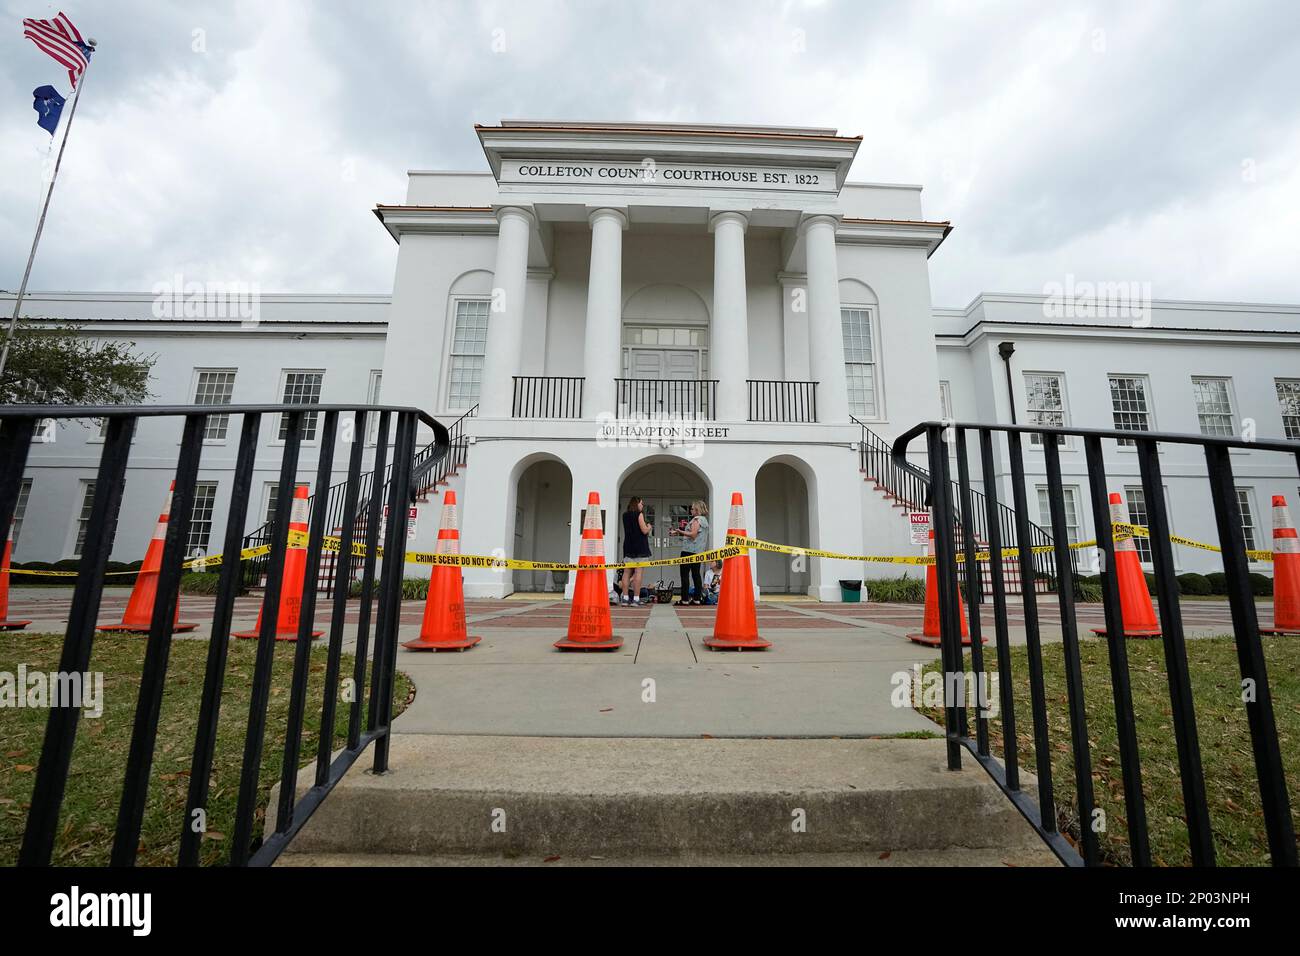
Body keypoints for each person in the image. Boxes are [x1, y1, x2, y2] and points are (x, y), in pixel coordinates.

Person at [671, 499, 709, 606]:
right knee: (696, 575)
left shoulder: (696, 520)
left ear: (697, 509)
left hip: (688, 551)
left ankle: (684, 599)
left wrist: (679, 531)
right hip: (698, 552)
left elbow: (693, 535)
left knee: (685, 576)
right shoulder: (704, 521)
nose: (690, 510)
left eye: (692, 508)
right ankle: (697, 598)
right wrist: (680, 533)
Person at [620, 496, 653, 605]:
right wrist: (649, 527)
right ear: (636, 503)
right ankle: (636, 598)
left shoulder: (625, 515)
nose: (642, 505)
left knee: (626, 572)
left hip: (628, 546)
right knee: (638, 572)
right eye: (641, 503)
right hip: (640, 547)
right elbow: (644, 530)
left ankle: (625, 598)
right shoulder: (639, 515)